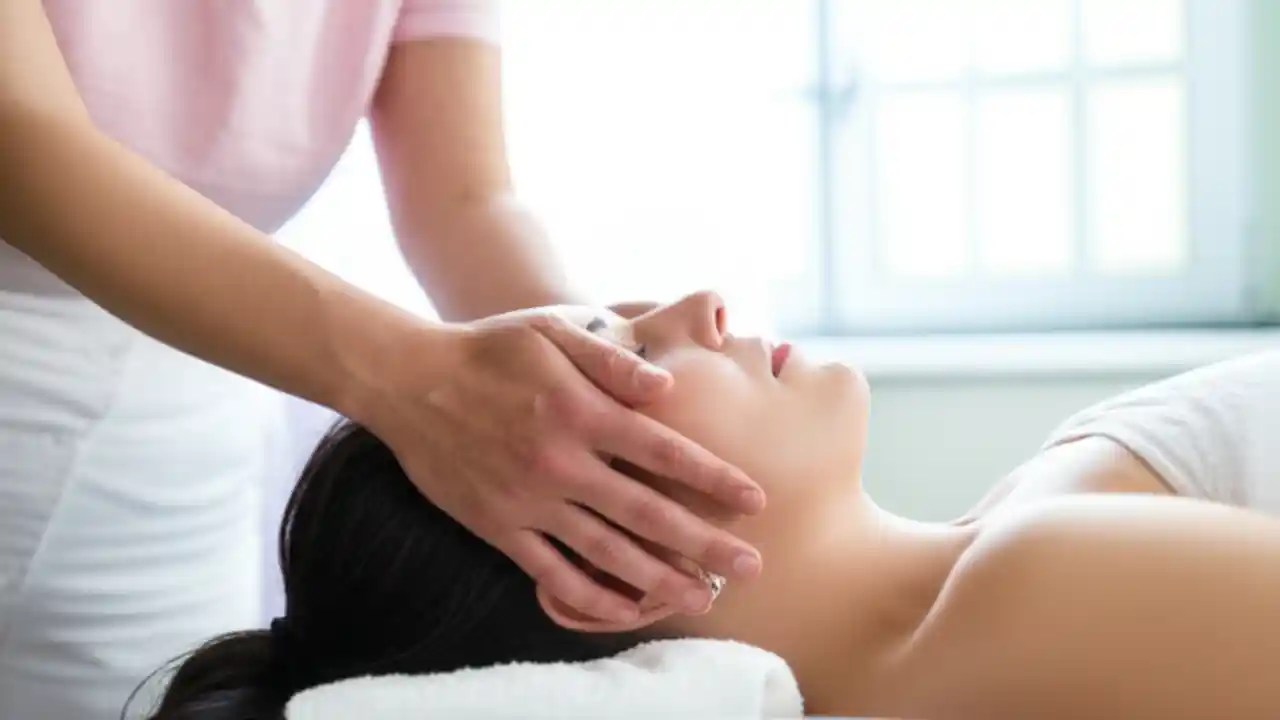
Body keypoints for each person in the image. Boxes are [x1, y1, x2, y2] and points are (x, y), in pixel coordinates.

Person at [0, 3, 765, 716]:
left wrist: (598, 391)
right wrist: (420, 380)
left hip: (197, 359)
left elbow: (463, 202)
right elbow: (20, 136)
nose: (710, 310)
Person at [148, 292, 1280, 720]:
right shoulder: (1030, 597)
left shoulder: (1009, 560)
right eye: (624, 349)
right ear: (590, 566)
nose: (698, 304)